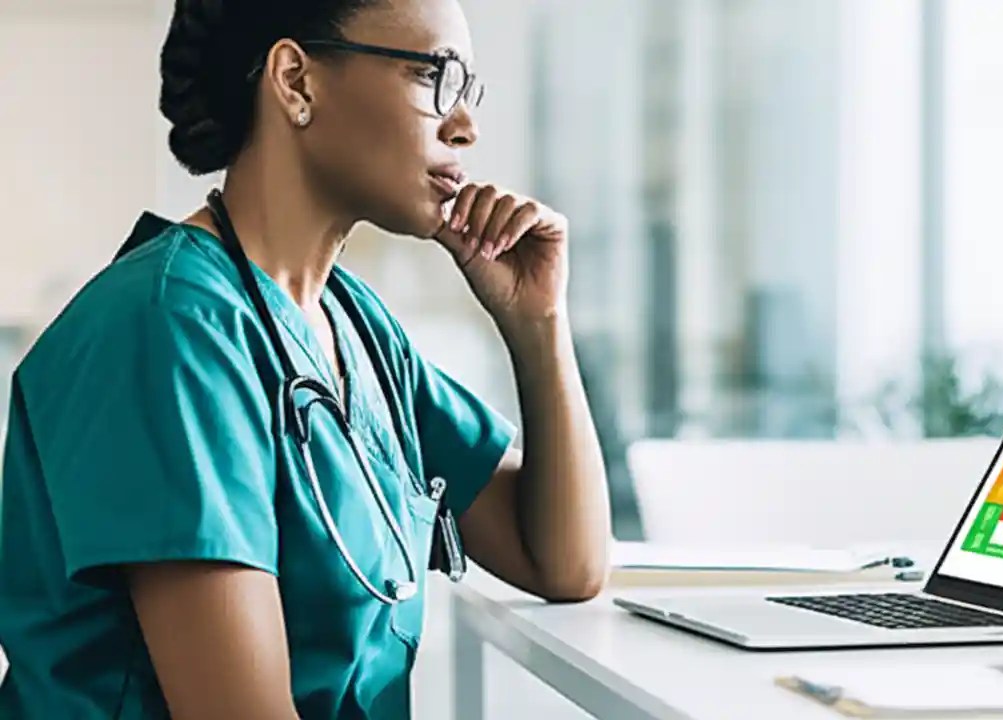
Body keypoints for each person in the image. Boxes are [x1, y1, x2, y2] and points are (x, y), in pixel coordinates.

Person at [0, 0, 611, 716]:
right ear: (296, 82)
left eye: (468, 89)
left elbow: (563, 562)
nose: (465, 127)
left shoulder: (354, 325)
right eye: (435, 77)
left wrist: (537, 324)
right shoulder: (171, 329)